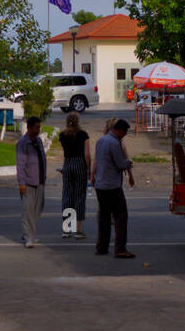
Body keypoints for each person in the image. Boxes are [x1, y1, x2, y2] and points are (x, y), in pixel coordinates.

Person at [92, 116, 135, 259]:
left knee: (104, 217)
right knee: (121, 217)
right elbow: (120, 164)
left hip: (100, 184)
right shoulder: (114, 143)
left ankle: (102, 247)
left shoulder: (101, 141)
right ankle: (120, 249)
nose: (124, 136)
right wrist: (128, 163)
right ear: (120, 130)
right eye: (124, 133)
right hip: (112, 186)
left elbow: (97, 161)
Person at [16, 115, 46, 248]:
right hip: (28, 182)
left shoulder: (38, 141)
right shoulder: (23, 143)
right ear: (28, 128)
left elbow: (42, 158)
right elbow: (20, 164)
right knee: (28, 211)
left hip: (39, 181)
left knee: (37, 210)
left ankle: (31, 234)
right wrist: (21, 183)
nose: (38, 129)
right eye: (36, 127)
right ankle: (28, 237)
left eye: (39, 127)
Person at [58, 111, 90, 239]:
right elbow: (87, 154)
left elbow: (66, 152)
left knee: (67, 196)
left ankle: (66, 229)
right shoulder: (83, 135)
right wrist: (89, 169)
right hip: (80, 164)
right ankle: (77, 230)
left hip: (68, 164)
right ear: (78, 121)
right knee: (79, 196)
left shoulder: (62, 135)